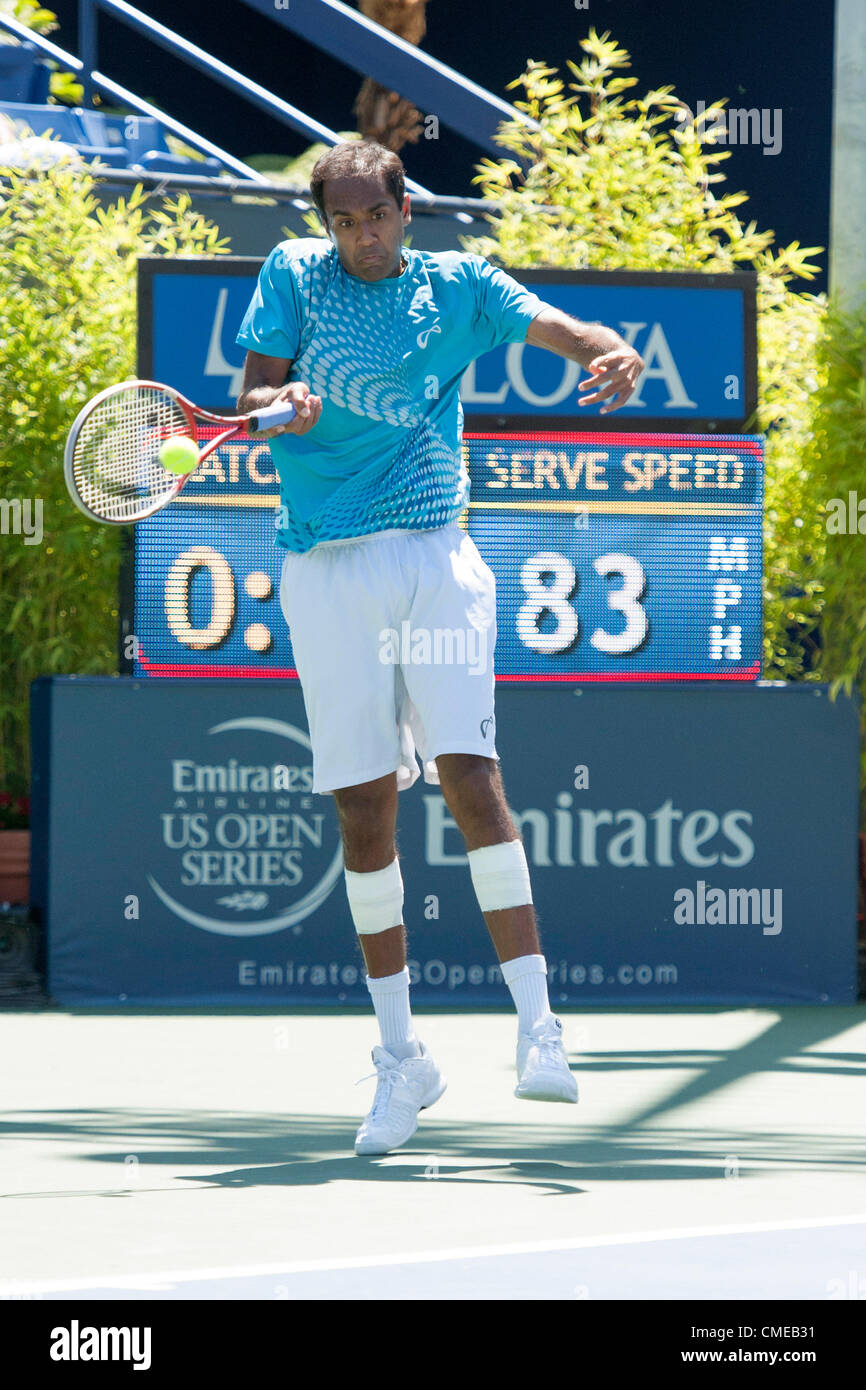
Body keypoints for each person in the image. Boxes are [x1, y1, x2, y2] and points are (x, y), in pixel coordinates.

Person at [235, 139, 643, 1156]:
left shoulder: (460, 286)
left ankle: (539, 1027)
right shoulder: (292, 275)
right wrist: (282, 410)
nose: (360, 236)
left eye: (375, 216)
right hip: (325, 564)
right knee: (364, 807)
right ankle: (400, 1058)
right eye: (343, 222)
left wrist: (610, 350)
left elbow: (566, 330)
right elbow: (253, 397)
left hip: (434, 551)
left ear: (405, 210)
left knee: (471, 776)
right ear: (325, 224)